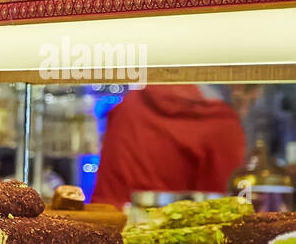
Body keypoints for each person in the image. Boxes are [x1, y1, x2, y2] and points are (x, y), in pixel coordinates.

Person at [91, 84, 246, 207]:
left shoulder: (128, 105)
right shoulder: (220, 122)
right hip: (168, 235)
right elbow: (223, 205)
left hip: (107, 226)